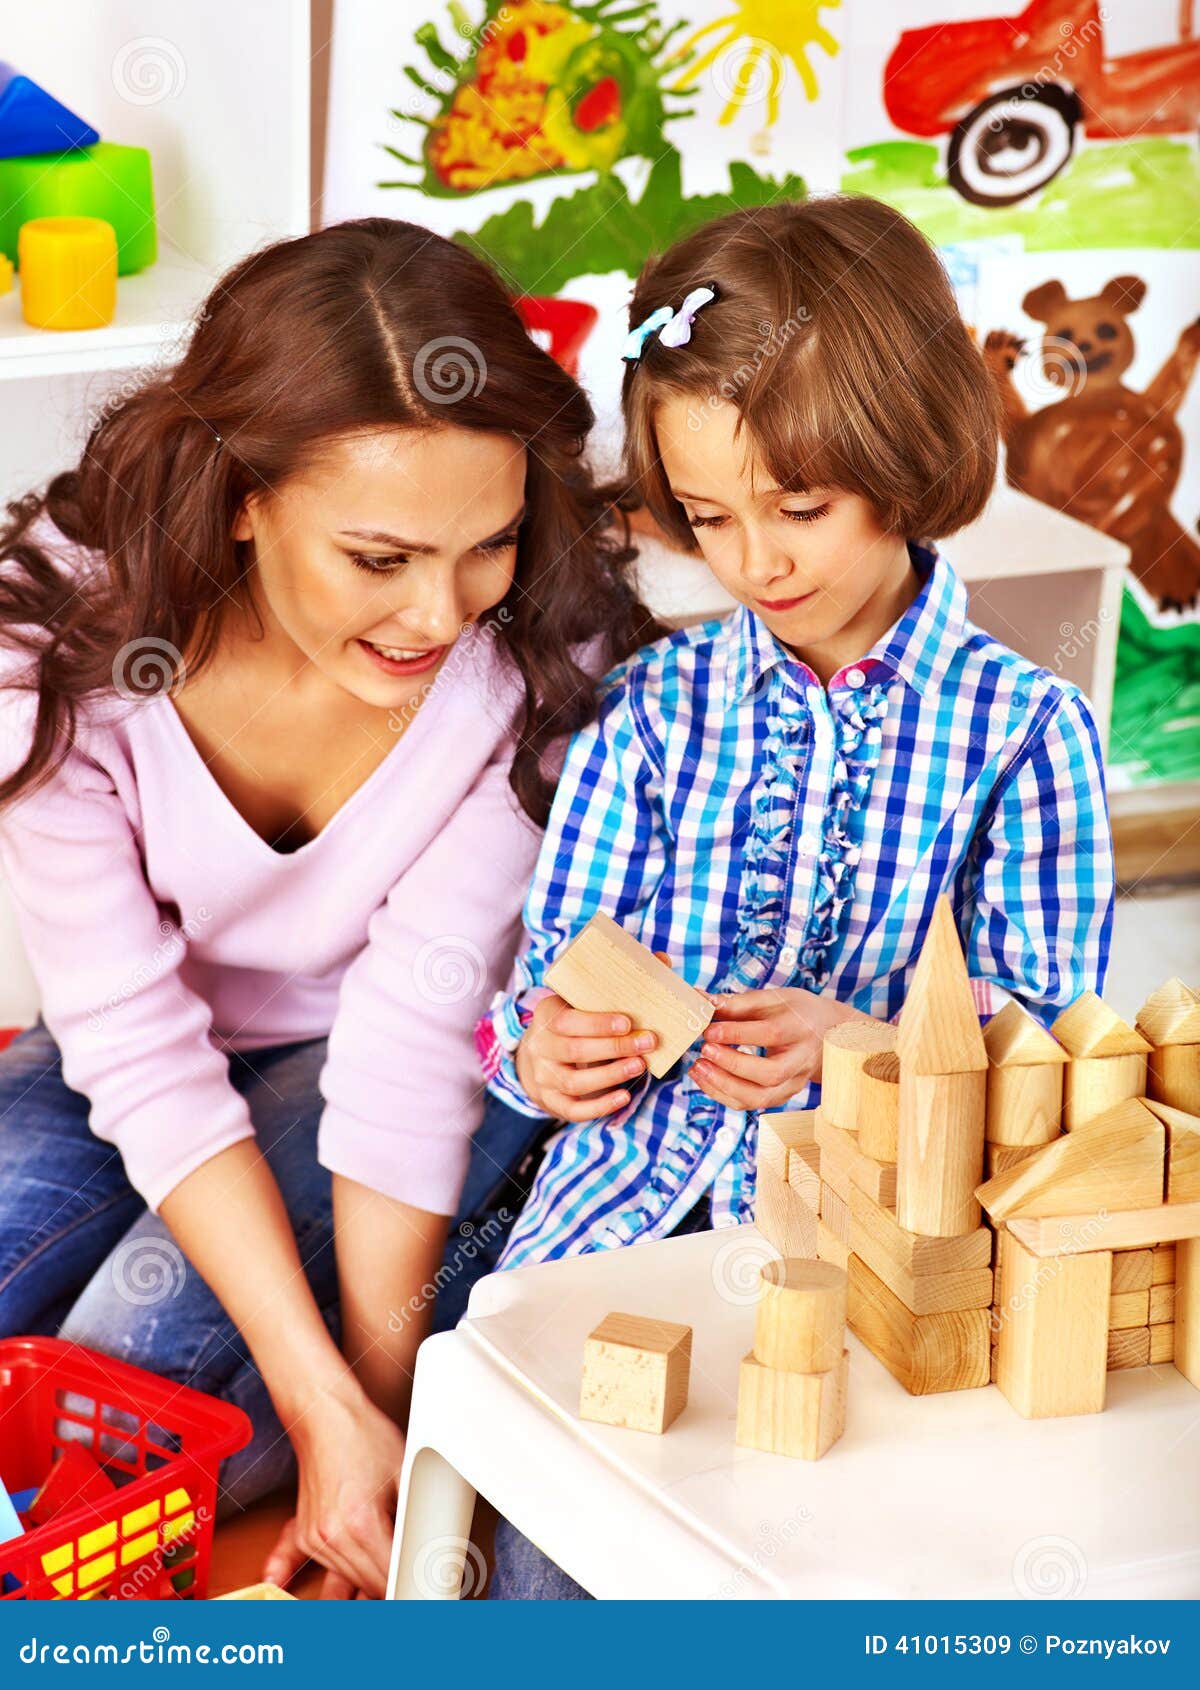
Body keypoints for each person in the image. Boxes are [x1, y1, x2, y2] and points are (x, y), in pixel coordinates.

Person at [444, 194, 1115, 1597]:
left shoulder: (1022, 731)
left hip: (877, 1268)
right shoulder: (652, 714)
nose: (756, 561)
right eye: (708, 516)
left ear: (910, 453)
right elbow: (545, 978)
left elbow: (1064, 1049)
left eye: (799, 505)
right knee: (548, 1561)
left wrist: (872, 1048)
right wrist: (543, 1050)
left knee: (817, 1560)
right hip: (614, 1233)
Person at [0, 218, 659, 1598]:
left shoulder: (536, 654)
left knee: (118, 1395)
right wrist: (316, 1411)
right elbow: (130, 1043)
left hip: (399, 1080)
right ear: (242, 495)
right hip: (134, 1058)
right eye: (380, 558)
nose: (440, 611)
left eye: (485, 543)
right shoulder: (61, 635)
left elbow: (407, 1043)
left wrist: (358, 1416)